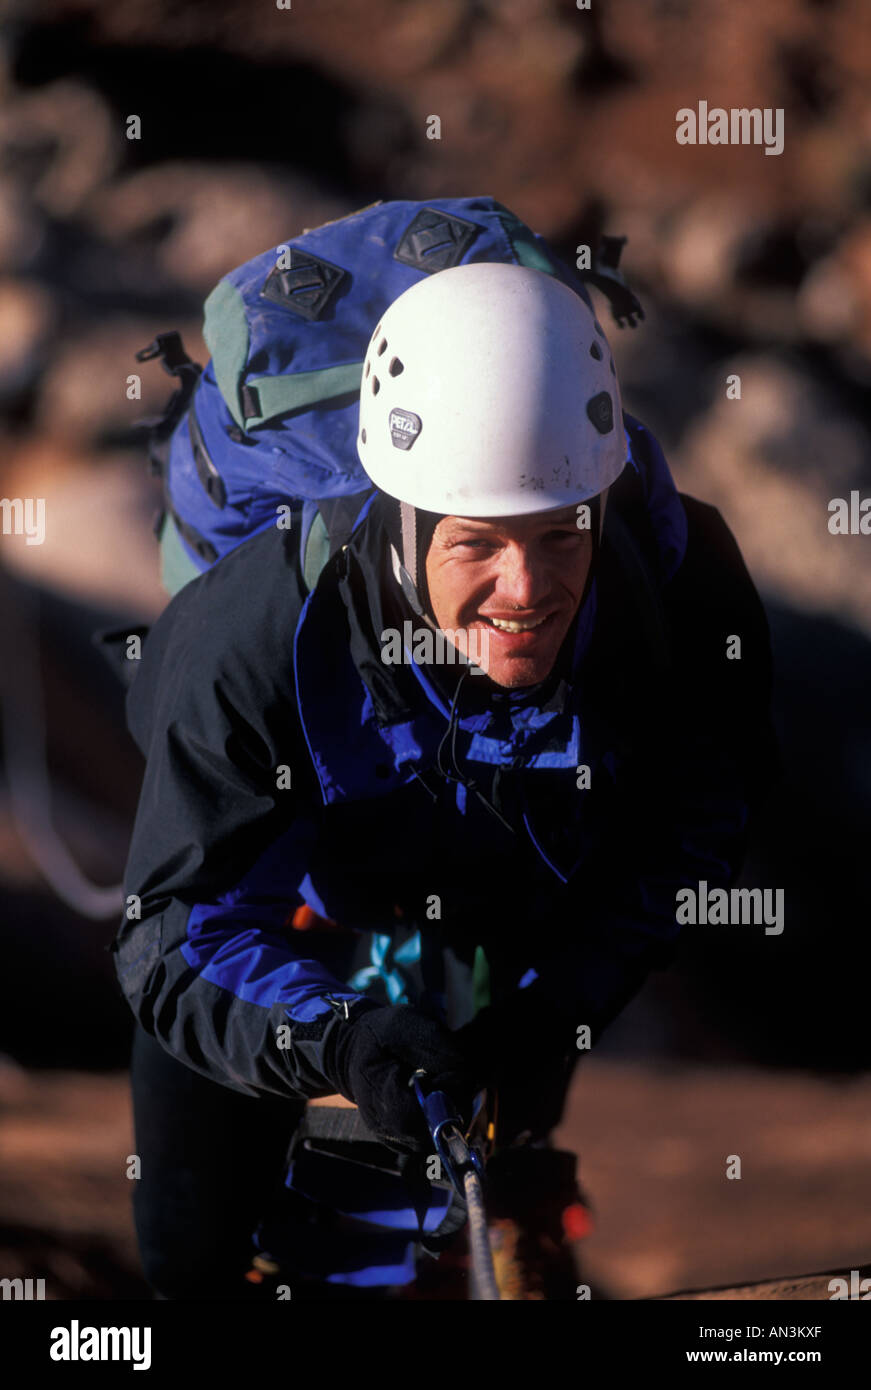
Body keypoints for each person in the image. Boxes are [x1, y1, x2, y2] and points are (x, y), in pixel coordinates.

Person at [113, 261, 778, 1300]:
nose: (527, 589)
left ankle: (503, 1201)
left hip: (516, 901)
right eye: (479, 543)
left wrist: (556, 1002)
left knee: (489, 1127)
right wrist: (338, 1039)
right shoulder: (247, 641)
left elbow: (690, 836)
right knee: (194, 1256)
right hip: (296, 899)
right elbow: (173, 933)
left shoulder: (682, 589)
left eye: (563, 534)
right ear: (402, 517)